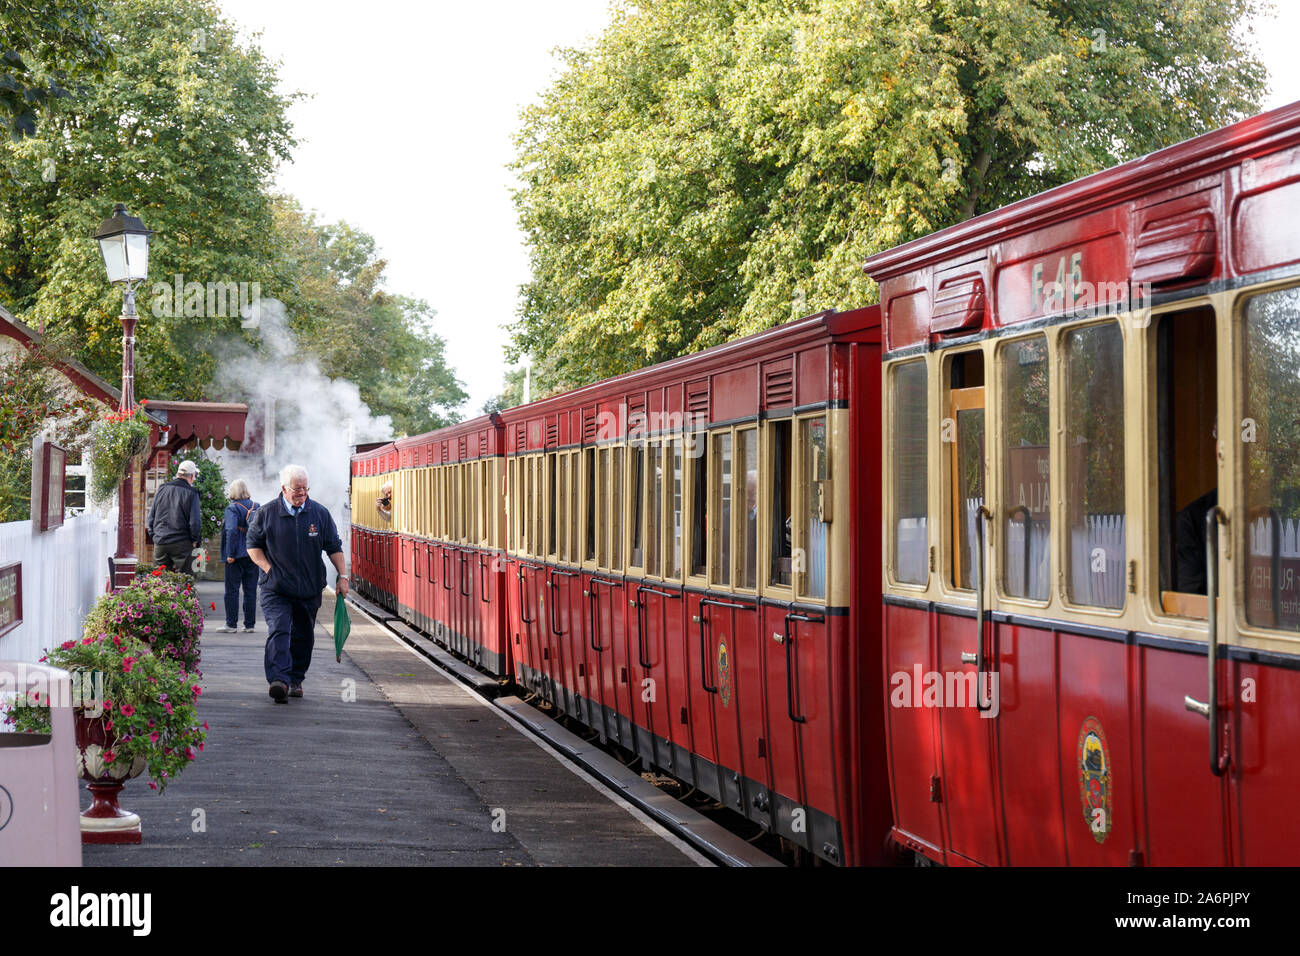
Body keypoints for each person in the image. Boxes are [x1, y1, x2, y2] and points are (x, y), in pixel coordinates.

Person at [245, 464, 348, 703]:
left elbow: (333, 547)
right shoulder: (266, 513)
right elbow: (253, 546)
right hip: (276, 587)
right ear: (283, 488)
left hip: (309, 588)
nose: (302, 493)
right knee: (280, 629)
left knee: (303, 635)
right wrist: (269, 569)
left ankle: (295, 679)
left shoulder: (319, 514)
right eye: (297, 489)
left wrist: (343, 576)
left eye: (305, 488)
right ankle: (278, 680)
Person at [218, 479, 260, 634]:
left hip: (236, 555)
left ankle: (231, 624)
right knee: (250, 590)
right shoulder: (257, 506)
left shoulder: (232, 508)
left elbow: (231, 531)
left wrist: (230, 553)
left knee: (232, 590)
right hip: (253, 553)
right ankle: (249, 625)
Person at [146, 459, 202, 577]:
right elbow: (195, 522)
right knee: (186, 581)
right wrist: (195, 540)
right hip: (182, 543)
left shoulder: (161, 489)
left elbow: (152, 516)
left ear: (178, 474)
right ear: (192, 476)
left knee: (159, 581)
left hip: (161, 541)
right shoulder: (192, 493)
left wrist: (154, 535)